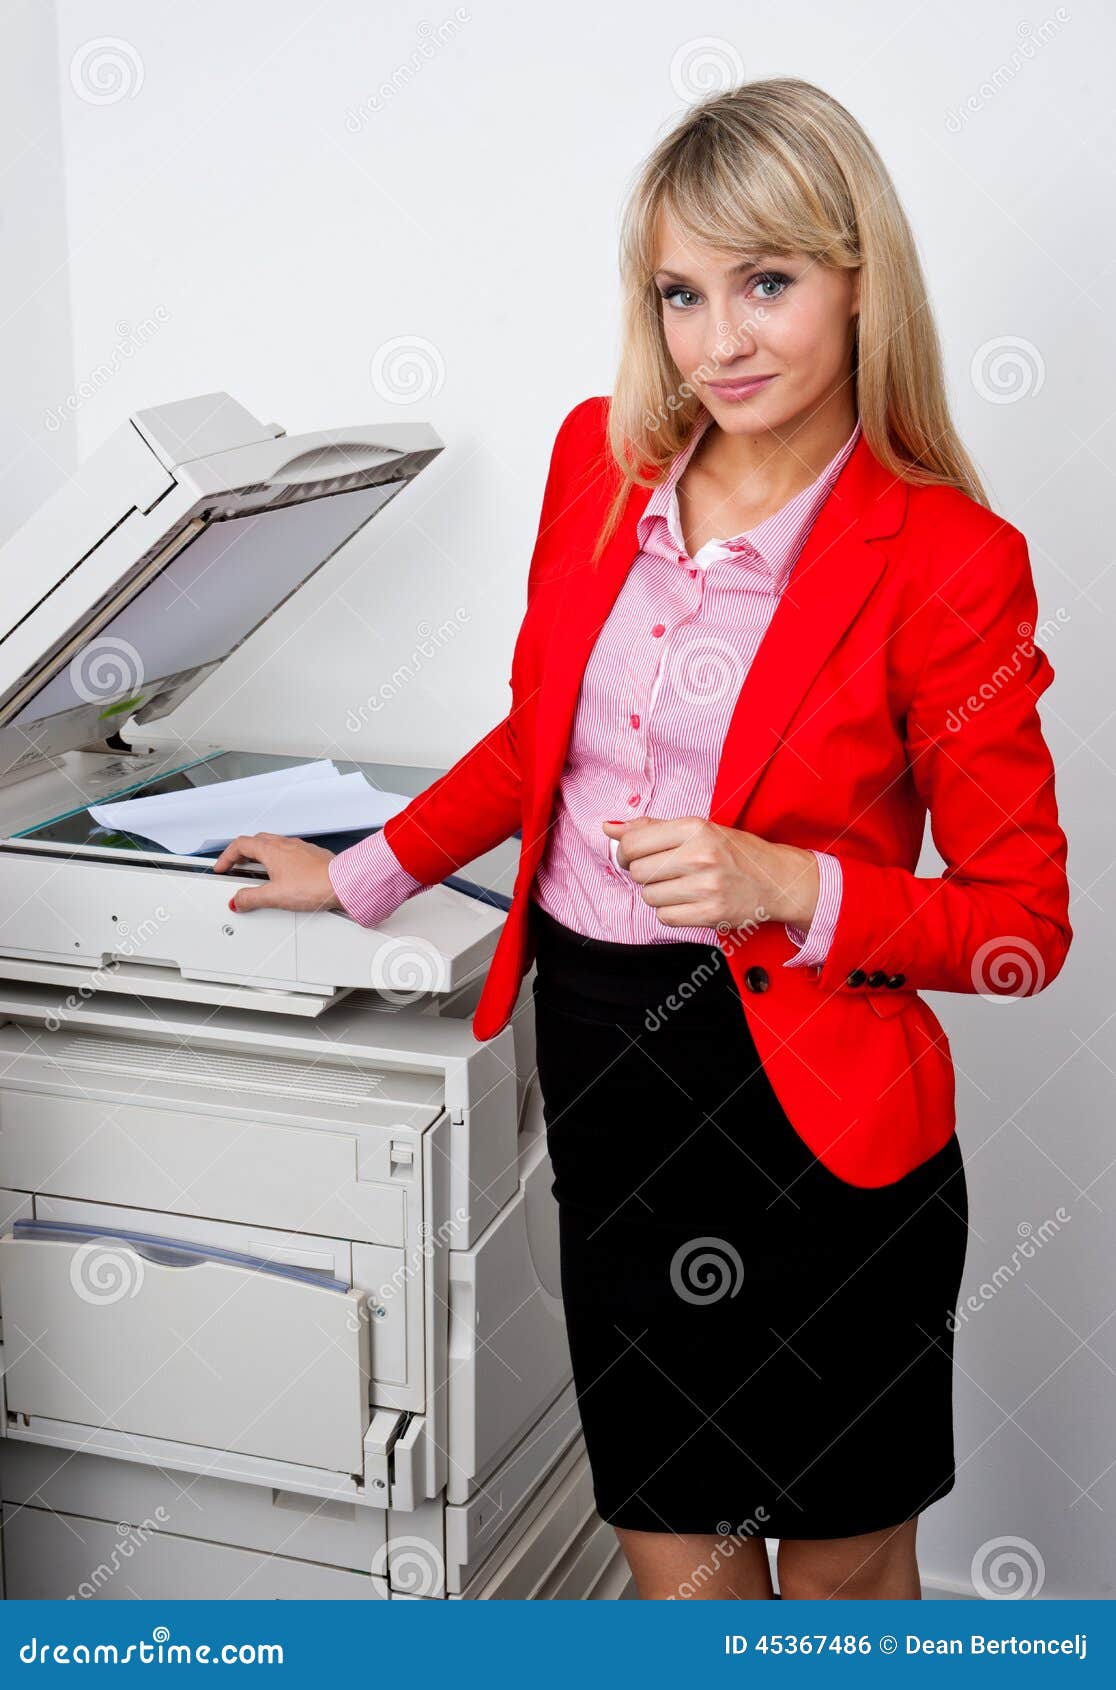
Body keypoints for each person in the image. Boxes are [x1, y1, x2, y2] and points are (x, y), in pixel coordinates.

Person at [213, 78, 1072, 1600]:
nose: (719, 339)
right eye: (683, 292)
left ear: (858, 279)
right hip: (614, 1090)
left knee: (843, 1584)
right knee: (677, 1566)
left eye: (768, 282)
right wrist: (359, 869)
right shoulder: (598, 464)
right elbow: (545, 732)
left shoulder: (945, 557)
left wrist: (789, 884)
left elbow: (1021, 920)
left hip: (819, 1131)